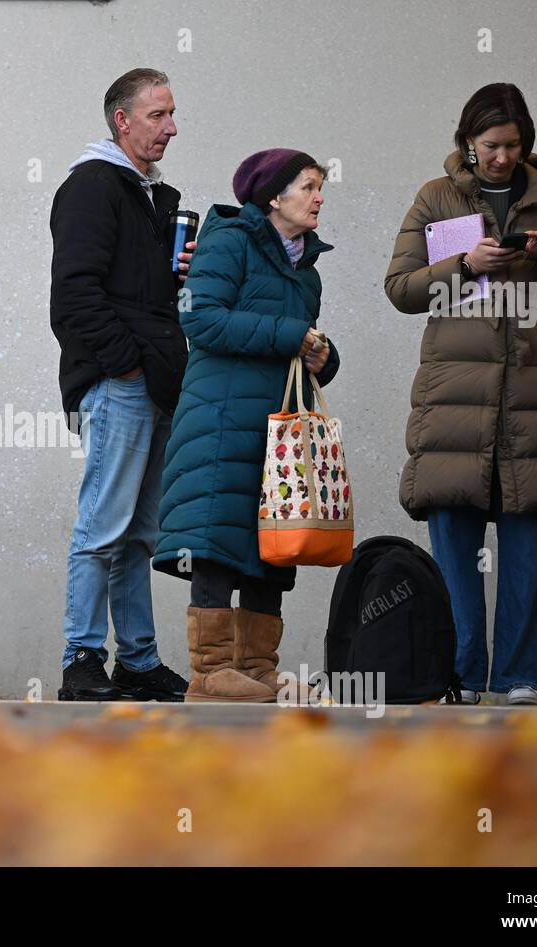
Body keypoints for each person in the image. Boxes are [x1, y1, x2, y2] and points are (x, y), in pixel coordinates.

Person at [154, 149, 341, 702]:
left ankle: (257, 669)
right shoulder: (230, 240)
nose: (318, 198)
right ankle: (210, 674)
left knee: (273, 546)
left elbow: (304, 344)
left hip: (280, 431)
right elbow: (200, 317)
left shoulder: (306, 272)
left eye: (318, 187)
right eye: (307, 187)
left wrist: (323, 358)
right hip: (220, 421)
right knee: (214, 540)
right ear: (273, 196)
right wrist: (288, 336)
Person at [384, 82, 537, 705]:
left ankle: (520, 676)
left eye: (511, 145)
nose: (502, 158)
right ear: (468, 143)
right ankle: (456, 675)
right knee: (454, 546)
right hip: (453, 399)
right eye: (490, 146)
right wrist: (465, 267)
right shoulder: (437, 197)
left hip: (531, 398)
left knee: (527, 546)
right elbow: (400, 288)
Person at [49, 67, 195, 702]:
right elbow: (73, 296)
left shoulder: (151, 195)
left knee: (139, 536)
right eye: (158, 115)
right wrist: (126, 365)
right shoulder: (91, 187)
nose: (170, 126)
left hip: (155, 382)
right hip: (124, 384)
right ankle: (82, 658)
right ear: (123, 121)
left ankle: (137, 663)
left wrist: (176, 272)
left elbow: (136, 293)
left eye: (171, 114)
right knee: (103, 528)